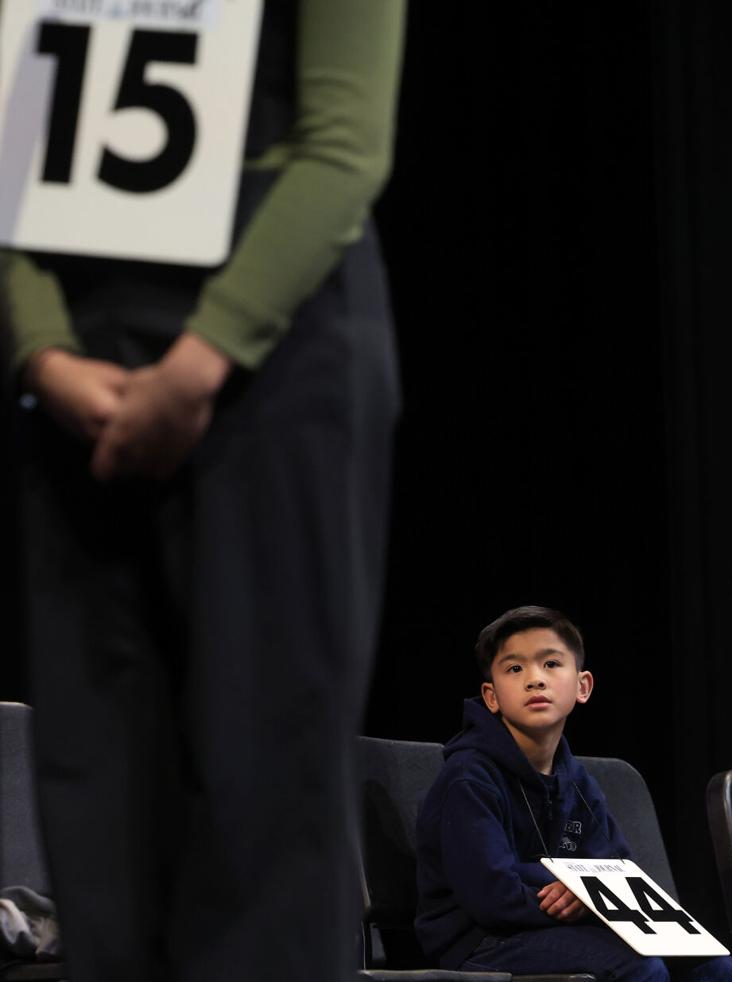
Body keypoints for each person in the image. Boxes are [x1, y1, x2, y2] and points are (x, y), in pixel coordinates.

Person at [0, 1, 406, 979]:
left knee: (263, 795)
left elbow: (346, 140)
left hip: (276, 357)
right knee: (100, 805)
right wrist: (42, 349)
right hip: (78, 368)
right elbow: (14, 133)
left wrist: (205, 352)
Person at [415, 606, 732, 982]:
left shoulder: (579, 782)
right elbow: (492, 898)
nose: (535, 679)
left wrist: (585, 893)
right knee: (638, 969)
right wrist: (581, 892)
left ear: (582, 686)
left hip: (557, 929)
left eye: (551, 664)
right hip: (481, 942)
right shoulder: (469, 777)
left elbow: (618, 875)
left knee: (714, 966)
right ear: (491, 697)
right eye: (514, 668)